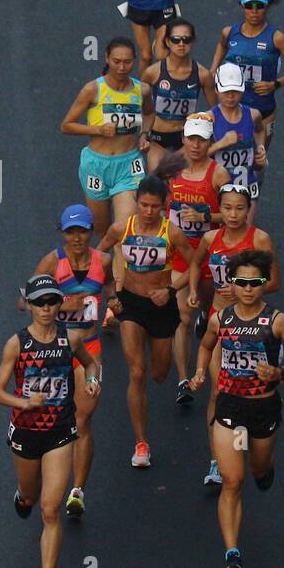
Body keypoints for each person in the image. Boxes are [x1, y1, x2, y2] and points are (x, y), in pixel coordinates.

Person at [189, 250, 284, 568]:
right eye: (241, 282)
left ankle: (265, 470)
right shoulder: (221, 319)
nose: (248, 289)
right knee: (233, 480)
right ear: (232, 284)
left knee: (257, 469)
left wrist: (279, 372)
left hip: (264, 407)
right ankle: (232, 552)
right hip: (230, 406)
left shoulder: (276, 320)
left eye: (255, 283)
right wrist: (199, 372)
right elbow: (206, 344)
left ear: (264, 284)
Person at [0, 274, 101, 568]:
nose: (45, 308)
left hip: (59, 432)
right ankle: (23, 497)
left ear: (58, 305)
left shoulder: (69, 340)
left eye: (51, 302)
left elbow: (91, 363)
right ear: (29, 305)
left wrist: (93, 381)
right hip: (26, 431)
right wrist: (25, 403)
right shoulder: (17, 344)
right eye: (38, 302)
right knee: (30, 496)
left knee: (51, 510)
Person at [187, 184, 280, 486]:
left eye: (239, 208)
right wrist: (192, 291)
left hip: (254, 325)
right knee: (219, 390)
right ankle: (218, 459)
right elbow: (194, 264)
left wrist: (246, 289)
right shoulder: (211, 238)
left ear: (248, 209)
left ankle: (251, 449)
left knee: (248, 389)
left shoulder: (260, 239)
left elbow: (275, 281)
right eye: (227, 207)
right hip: (219, 318)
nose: (233, 214)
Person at [98, 176, 193, 467]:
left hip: (162, 306)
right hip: (131, 305)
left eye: (155, 206)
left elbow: (195, 264)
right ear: (137, 202)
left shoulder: (172, 233)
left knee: (159, 374)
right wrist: (111, 294)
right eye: (144, 205)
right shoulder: (121, 228)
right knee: (137, 372)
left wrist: (172, 290)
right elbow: (98, 258)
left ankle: (163, 369)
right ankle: (141, 444)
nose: (149, 211)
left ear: (164, 206)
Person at [25, 205, 113, 516]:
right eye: (70, 232)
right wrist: (59, 304)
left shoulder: (103, 261)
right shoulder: (53, 261)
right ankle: (37, 478)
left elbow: (115, 287)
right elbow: (24, 302)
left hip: (88, 351)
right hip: (55, 352)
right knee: (46, 420)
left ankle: (77, 490)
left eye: (82, 231)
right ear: (63, 233)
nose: (76, 238)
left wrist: (113, 305)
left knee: (83, 419)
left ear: (91, 232)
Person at [157, 118, 229, 401]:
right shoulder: (170, 170)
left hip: (210, 257)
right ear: (184, 138)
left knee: (211, 310)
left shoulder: (218, 174)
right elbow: (157, 202)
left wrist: (205, 217)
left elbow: (234, 213)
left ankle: (205, 320)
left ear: (209, 142)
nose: (195, 145)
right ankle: (184, 380)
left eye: (201, 140)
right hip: (180, 257)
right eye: (191, 139)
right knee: (182, 318)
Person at [60, 37, 154, 243]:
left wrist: (145, 135)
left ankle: (121, 276)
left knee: (125, 229)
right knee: (102, 230)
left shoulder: (142, 90)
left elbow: (149, 114)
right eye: (116, 61)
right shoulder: (92, 89)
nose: (121, 67)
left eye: (127, 62)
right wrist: (98, 129)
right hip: (96, 165)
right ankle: (105, 270)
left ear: (134, 61)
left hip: (129, 165)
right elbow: (66, 125)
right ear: (107, 59)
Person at [211, 0, 284, 161]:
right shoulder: (230, 32)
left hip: (263, 111)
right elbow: (222, 45)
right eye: (249, 6)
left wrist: (275, 84)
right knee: (223, 158)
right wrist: (213, 68)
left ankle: (255, 187)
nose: (254, 12)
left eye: (259, 6)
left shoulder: (276, 37)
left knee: (258, 159)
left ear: (267, 7)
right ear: (242, 7)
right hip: (230, 109)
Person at [141, 18, 216, 171]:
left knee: (183, 185)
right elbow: (139, 105)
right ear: (167, 42)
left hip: (187, 139)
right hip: (157, 139)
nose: (181, 44)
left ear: (193, 42)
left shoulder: (203, 74)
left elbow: (215, 109)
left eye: (186, 39)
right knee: (158, 183)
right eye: (176, 40)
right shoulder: (152, 73)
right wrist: (143, 134)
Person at [208, 64, 267, 224]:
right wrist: (221, 144)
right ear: (217, 90)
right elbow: (196, 155)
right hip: (219, 186)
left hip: (246, 184)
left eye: (235, 91)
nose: (230, 96)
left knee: (245, 235)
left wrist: (261, 148)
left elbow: (261, 131)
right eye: (226, 91)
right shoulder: (209, 118)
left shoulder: (253, 115)